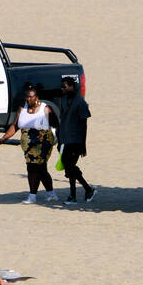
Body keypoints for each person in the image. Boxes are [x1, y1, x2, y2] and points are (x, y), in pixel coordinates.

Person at [0, 83, 60, 203]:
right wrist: (3, 139)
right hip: (29, 146)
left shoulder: (45, 109)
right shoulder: (22, 109)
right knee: (39, 169)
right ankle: (51, 193)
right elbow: (15, 126)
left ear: (37, 97)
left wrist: (61, 141)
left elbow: (56, 125)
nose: (29, 99)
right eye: (27, 97)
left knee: (35, 167)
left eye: (31, 97)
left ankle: (32, 195)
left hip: (43, 142)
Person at [57, 76, 94, 204]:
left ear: (72, 87)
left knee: (70, 166)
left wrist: (83, 145)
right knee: (69, 168)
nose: (62, 88)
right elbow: (61, 122)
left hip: (76, 140)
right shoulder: (63, 100)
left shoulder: (80, 102)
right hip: (65, 139)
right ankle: (78, 194)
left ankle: (84, 190)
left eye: (65, 86)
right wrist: (60, 140)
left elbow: (84, 125)